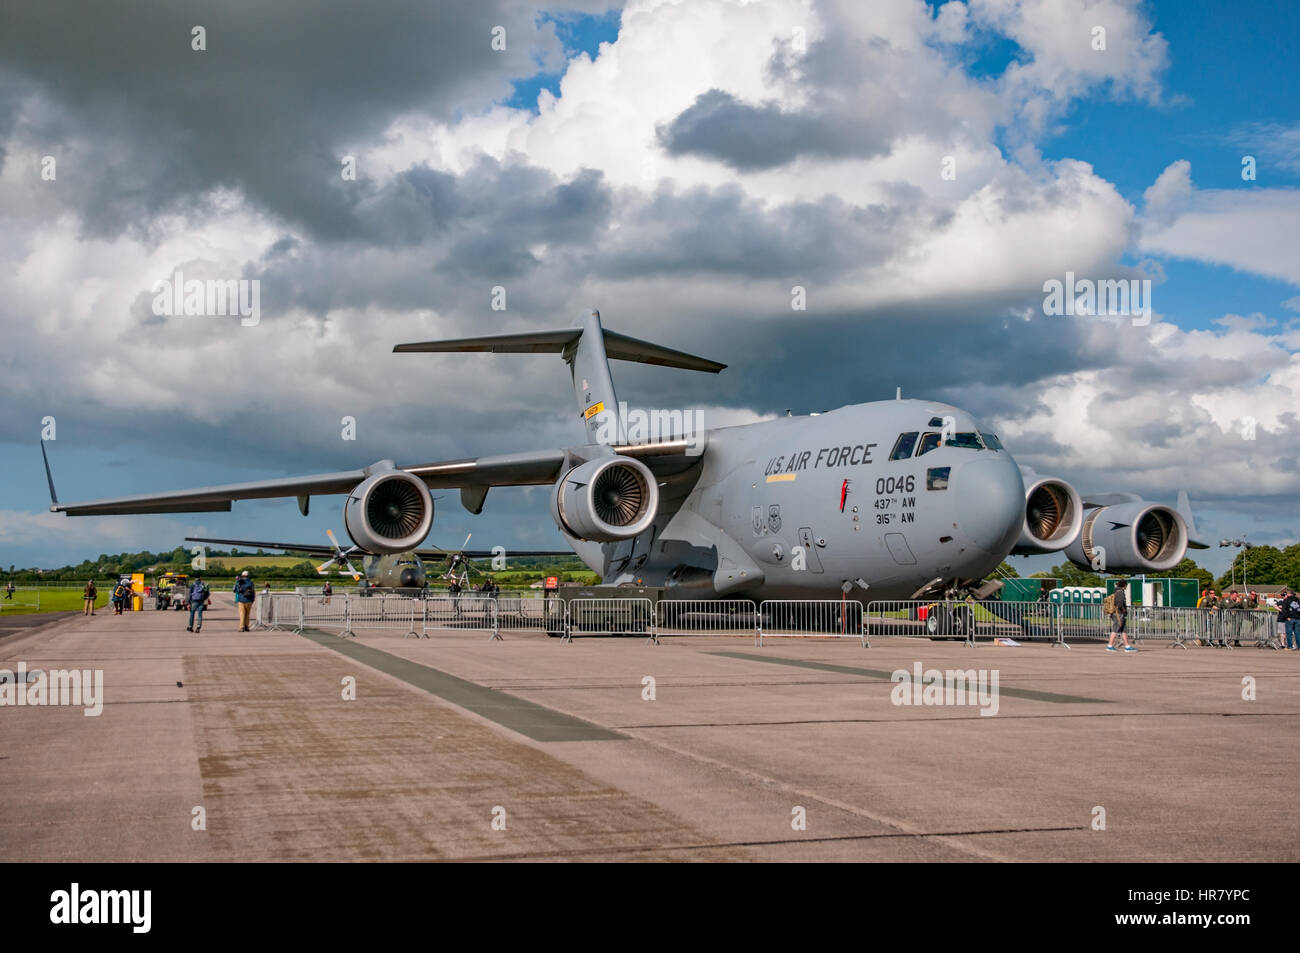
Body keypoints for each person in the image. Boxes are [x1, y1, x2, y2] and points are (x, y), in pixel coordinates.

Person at [1106, 580, 1136, 652]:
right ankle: (1109, 646)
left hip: (1117, 613)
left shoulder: (1116, 591)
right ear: (1124, 585)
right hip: (1119, 614)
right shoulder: (1121, 592)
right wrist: (1124, 610)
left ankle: (1127, 646)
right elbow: (1120, 603)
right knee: (1115, 629)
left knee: (1123, 630)